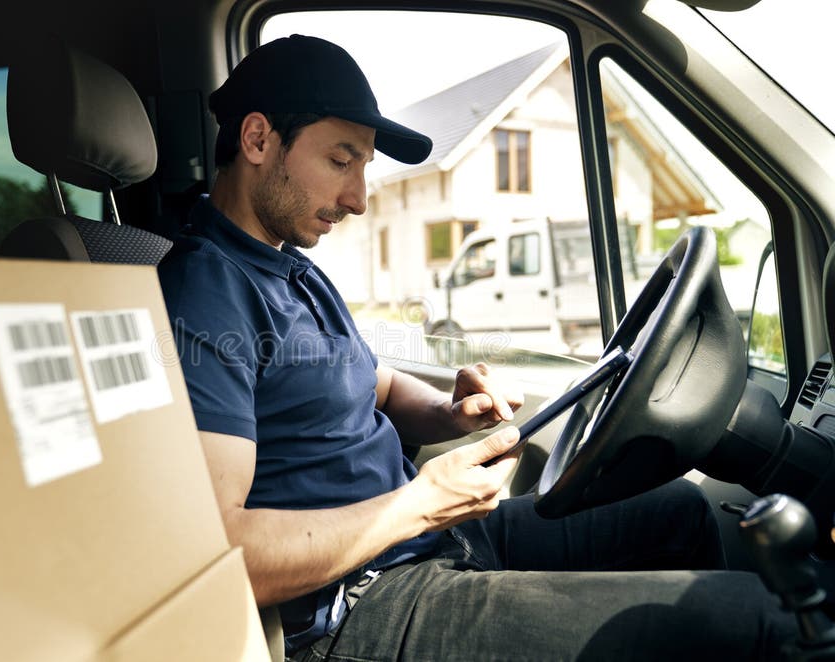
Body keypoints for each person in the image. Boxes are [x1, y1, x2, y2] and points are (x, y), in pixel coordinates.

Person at [157, 34, 797, 660]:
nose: (356, 198)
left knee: (680, 512)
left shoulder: (291, 269)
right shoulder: (205, 293)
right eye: (340, 160)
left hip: (432, 539)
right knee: (763, 623)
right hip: (360, 603)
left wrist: (446, 409)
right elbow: (222, 552)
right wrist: (420, 503)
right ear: (259, 140)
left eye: (363, 167)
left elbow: (374, 385)